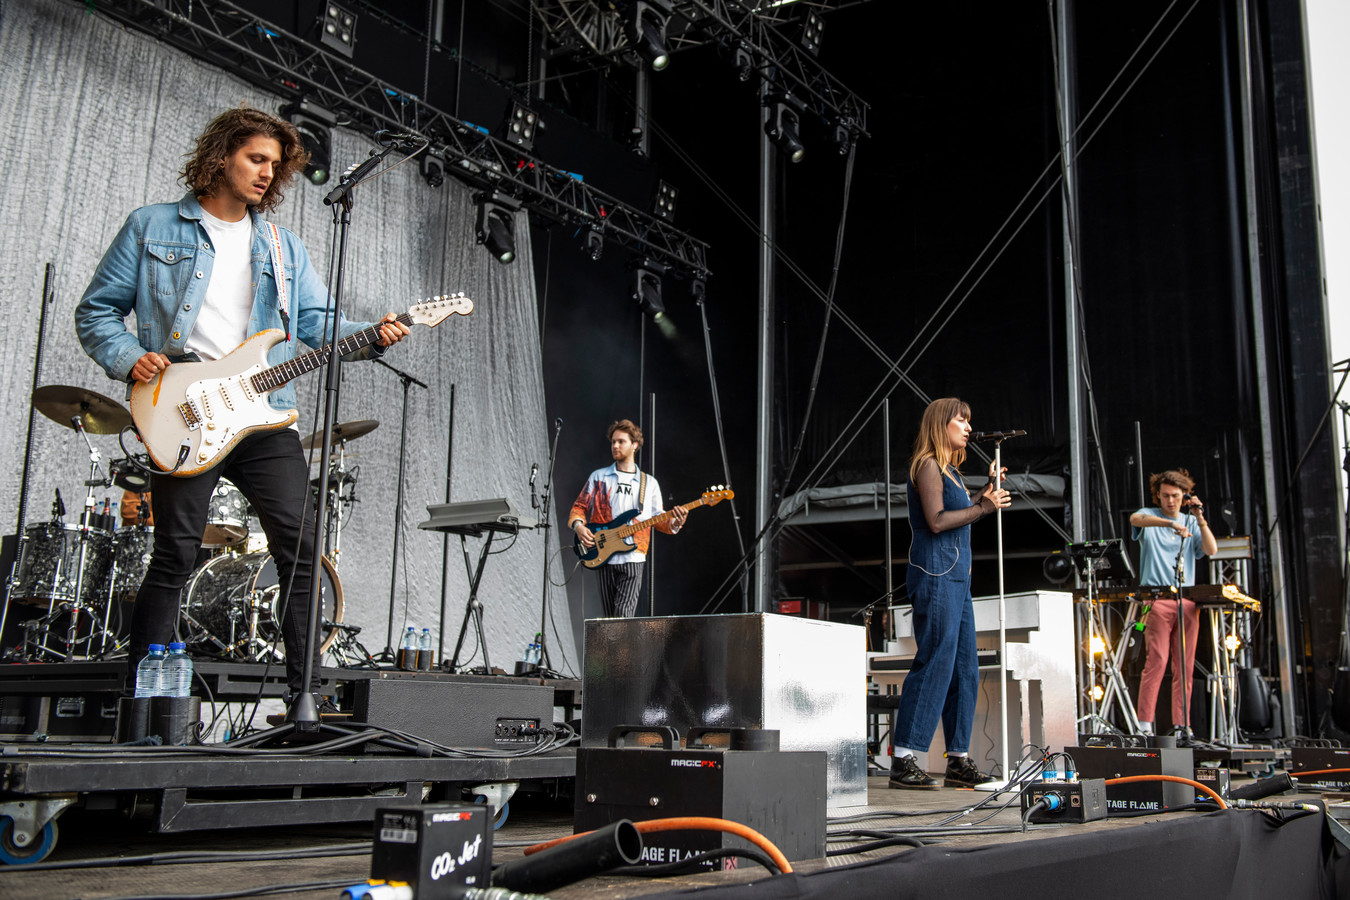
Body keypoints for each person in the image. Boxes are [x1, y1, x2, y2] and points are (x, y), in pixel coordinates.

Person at [74, 107, 410, 707]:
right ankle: (141, 701)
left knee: (302, 549)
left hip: (262, 413)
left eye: (274, 166)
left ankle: (304, 699)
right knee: (174, 552)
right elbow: (96, 312)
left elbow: (316, 323)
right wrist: (130, 358)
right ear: (221, 155)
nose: (265, 173)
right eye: (256, 158)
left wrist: (374, 332)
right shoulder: (151, 226)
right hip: (184, 411)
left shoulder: (282, 246)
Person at [889, 398, 1010, 790]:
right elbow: (938, 521)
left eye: (969, 420)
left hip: (958, 577)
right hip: (936, 573)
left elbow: (967, 508)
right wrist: (986, 507)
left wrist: (988, 491)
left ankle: (957, 758)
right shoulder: (926, 464)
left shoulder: (952, 472)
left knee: (964, 667)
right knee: (936, 660)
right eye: (962, 419)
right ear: (942, 423)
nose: (968, 426)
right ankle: (904, 756)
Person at [1129, 469, 1218, 737]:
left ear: (1184, 497)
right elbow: (1135, 518)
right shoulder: (1150, 516)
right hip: (1155, 599)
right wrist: (1169, 524)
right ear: (1158, 495)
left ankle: (1182, 723)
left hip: (1186, 601)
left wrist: (1199, 517)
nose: (1171, 501)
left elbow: (1211, 550)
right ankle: (1145, 723)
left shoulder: (1191, 522)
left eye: (1176, 496)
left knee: (1184, 664)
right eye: (1166, 496)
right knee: (1157, 660)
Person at [568, 419, 688, 617]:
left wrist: (676, 522)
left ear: (635, 445)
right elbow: (579, 507)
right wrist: (579, 527)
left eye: (621, 441)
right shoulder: (599, 477)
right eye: (613, 442)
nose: (615, 446)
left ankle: (620, 648)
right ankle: (613, 649)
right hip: (603, 553)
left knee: (622, 617)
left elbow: (658, 518)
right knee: (609, 620)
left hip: (634, 555)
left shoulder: (649, 483)